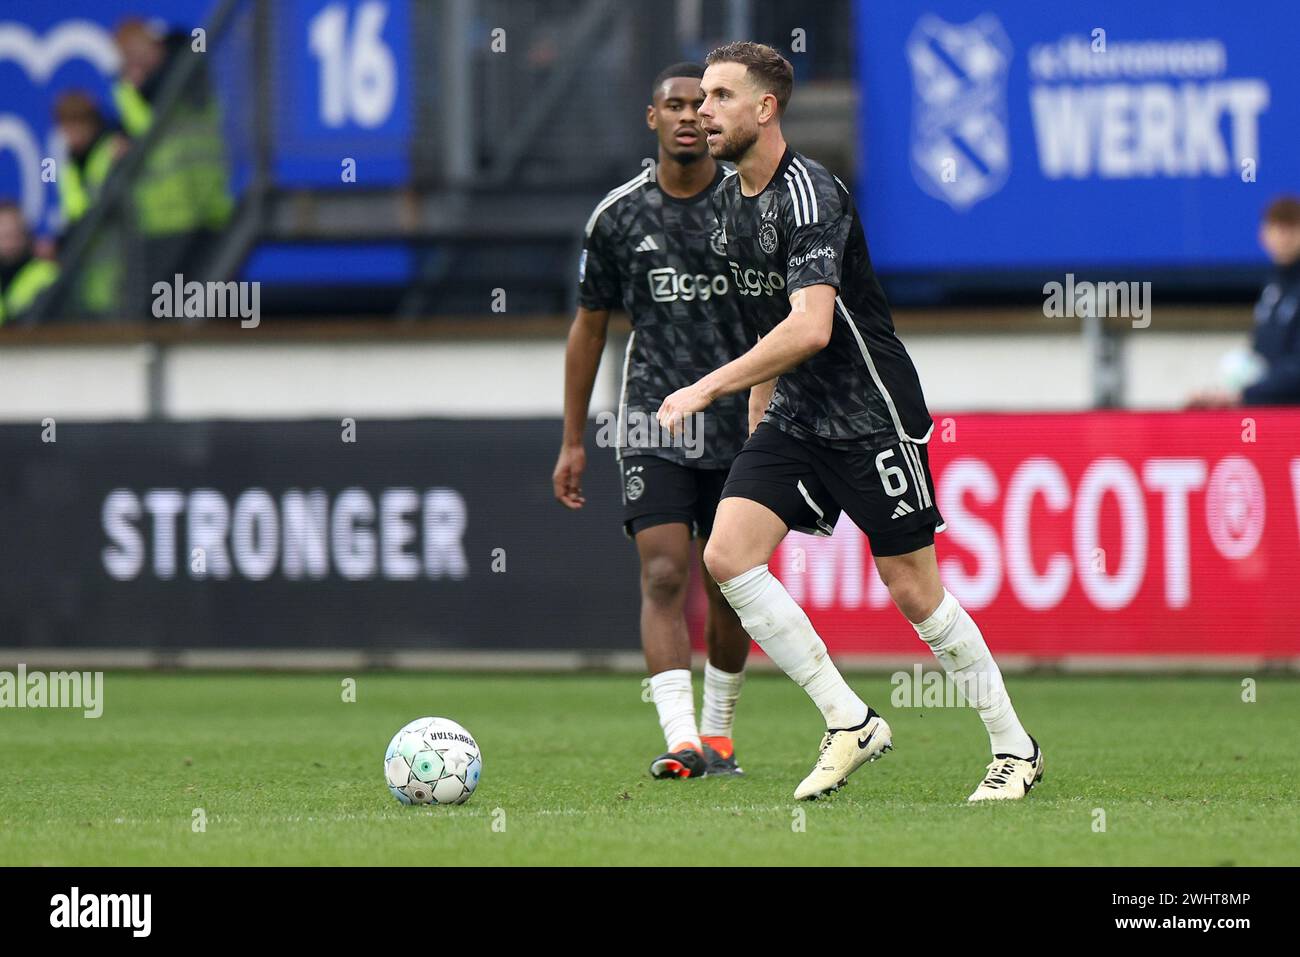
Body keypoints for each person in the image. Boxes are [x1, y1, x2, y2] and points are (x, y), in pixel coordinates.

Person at [656, 42, 1042, 801]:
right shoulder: (729, 205)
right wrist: (757, 419)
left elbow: (809, 328)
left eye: (719, 98)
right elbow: (765, 329)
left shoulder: (813, 195)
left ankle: (1014, 748)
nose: (702, 112)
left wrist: (705, 388)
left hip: (873, 414)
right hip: (798, 414)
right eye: (699, 98)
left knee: (913, 589)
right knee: (728, 554)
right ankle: (849, 718)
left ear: (764, 109)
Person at [554, 63, 755, 780]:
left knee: (733, 583)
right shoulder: (617, 217)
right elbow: (588, 328)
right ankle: (682, 740)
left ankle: (720, 731)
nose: (689, 116)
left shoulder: (751, 204)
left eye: (702, 104)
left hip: (742, 419)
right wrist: (574, 436)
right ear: (653, 118)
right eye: (675, 104)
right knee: (666, 572)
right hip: (651, 417)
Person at [1189, 195, 1300, 407]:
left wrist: (1246, 394)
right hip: (1269, 409)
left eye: (1290, 229)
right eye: (1277, 229)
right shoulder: (1273, 287)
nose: (1283, 238)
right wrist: (1232, 391)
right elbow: (1261, 356)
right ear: (1263, 235)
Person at [0, 202, 59, 325]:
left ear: (26, 236)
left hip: (34, 341)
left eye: (14, 234)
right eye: (4, 236)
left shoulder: (47, 273)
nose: (9, 242)